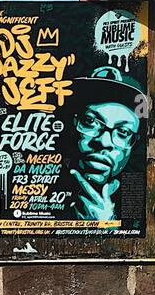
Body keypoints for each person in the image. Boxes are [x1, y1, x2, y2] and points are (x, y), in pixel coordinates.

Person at [60, 67, 145, 222]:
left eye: (123, 132)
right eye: (90, 122)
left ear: (133, 144)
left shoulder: (137, 201)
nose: (103, 141)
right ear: (73, 122)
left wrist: (106, 223)